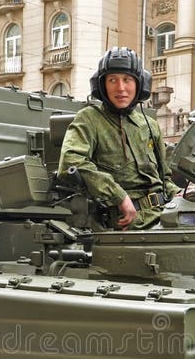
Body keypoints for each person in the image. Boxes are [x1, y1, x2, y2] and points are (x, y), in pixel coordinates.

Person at [58, 47, 182, 229]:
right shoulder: (90, 118)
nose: (120, 88)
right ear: (102, 85)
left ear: (140, 84)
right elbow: (71, 161)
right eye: (112, 80)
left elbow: (164, 178)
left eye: (127, 80)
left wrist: (177, 192)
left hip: (163, 214)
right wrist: (119, 196)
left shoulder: (149, 124)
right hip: (124, 222)